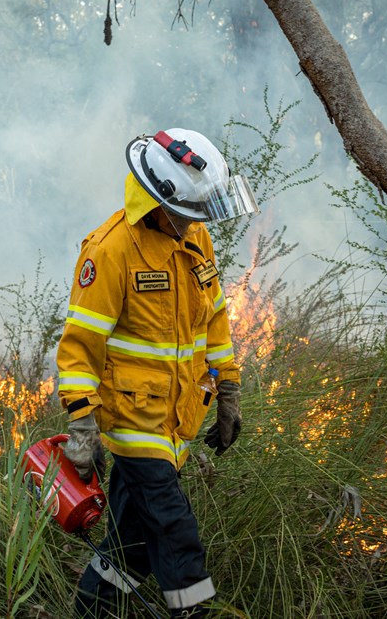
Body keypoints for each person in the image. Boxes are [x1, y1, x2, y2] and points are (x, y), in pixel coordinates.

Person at [55, 128, 259, 617]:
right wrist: (82, 427)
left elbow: (213, 318)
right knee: (173, 529)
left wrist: (227, 386)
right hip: (131, 423)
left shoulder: (195, 237)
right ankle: (194, 611)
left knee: (136, 546)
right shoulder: (109, 252)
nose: (197, 224)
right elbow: (79, 347)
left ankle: (91, 611)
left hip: (177, 422)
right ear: (157, 201)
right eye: (188, 214)